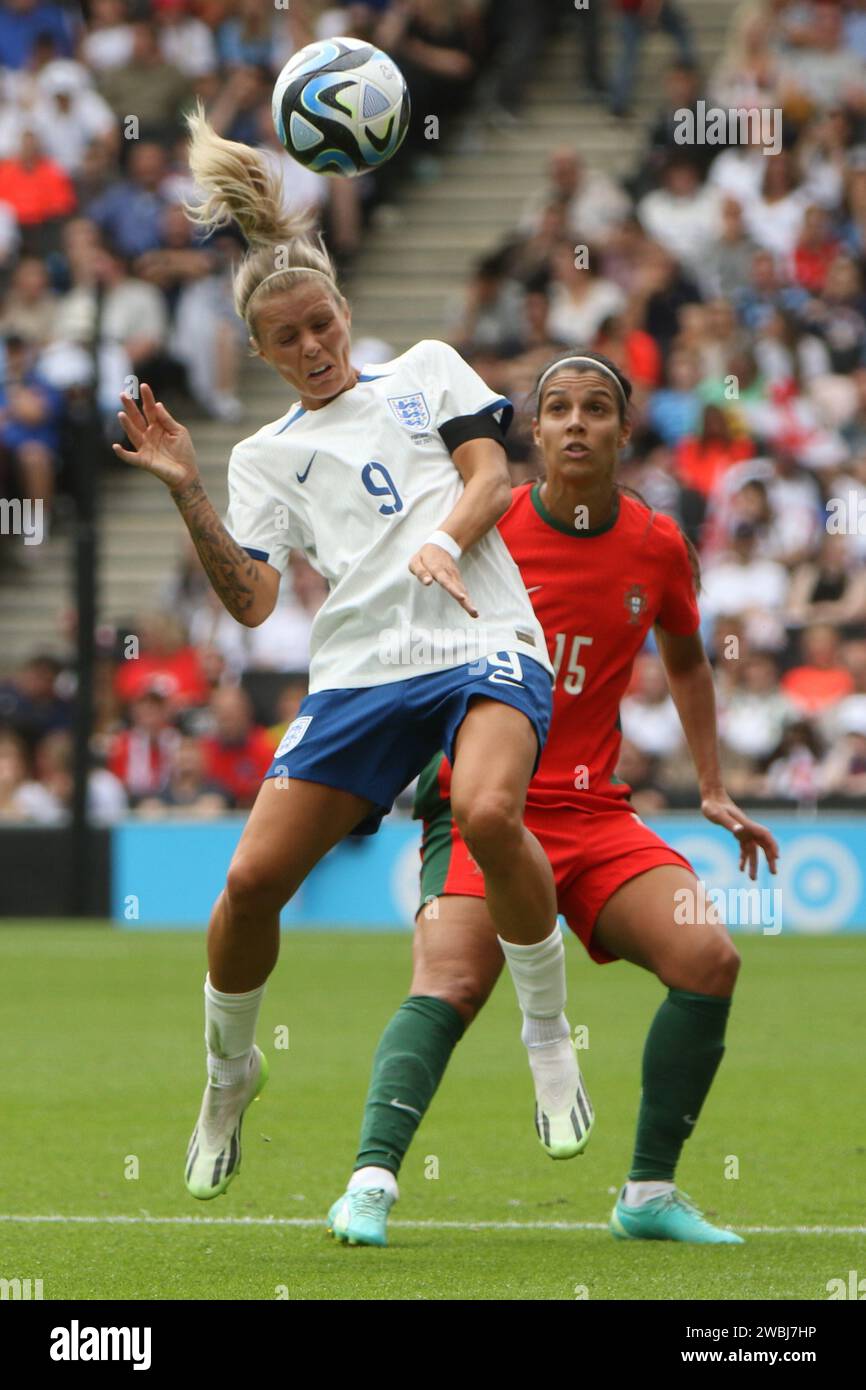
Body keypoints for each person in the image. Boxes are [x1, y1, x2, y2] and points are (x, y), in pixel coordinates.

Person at [113, 104, 585, 1204]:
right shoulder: (267, 455)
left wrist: (440, 540)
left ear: (343, 310)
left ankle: (549, 1039)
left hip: (480, 637)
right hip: (361, 673)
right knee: (247, 883)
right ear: (261, 351)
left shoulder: (422, 368)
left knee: (485, 812)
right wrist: (189, 487)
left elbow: (491, 479)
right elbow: (251, 600)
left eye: (322, 323)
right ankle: (229, 1076)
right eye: (289, 339)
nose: (314, 347)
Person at [327, 351, 779, 1248]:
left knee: (711, 960)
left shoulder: (657, 546)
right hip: (483, 808)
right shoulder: (483, 529)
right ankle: (369, 1183)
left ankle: (647, 1196)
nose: (576, 423)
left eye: (597, 409)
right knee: (451, 981)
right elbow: (404, 650)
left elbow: (687, 659)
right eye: (559, 409)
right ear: (531, 432)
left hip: (596, 815)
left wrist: (717, 787)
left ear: (623, 430)